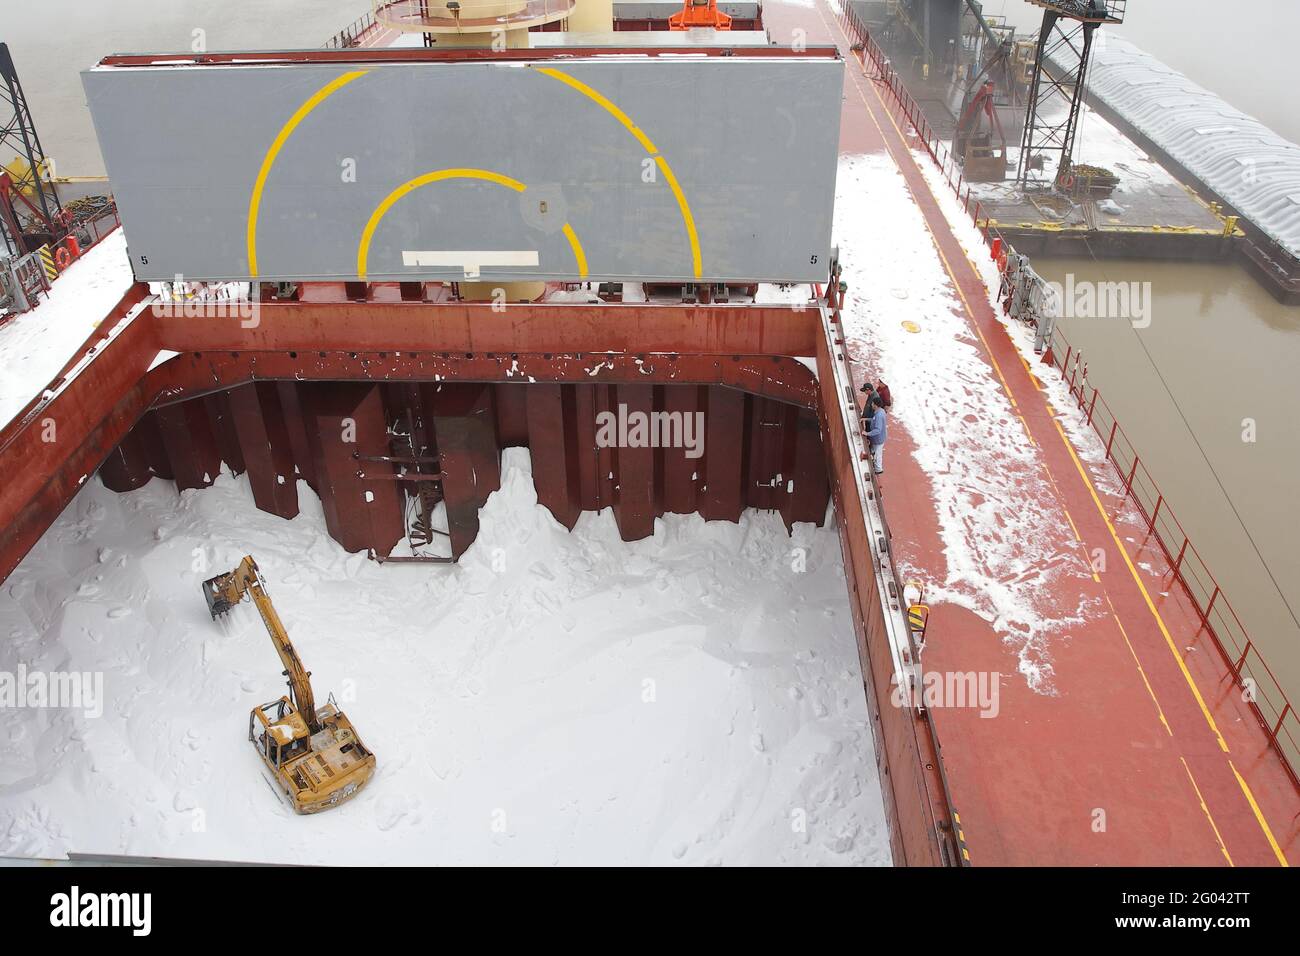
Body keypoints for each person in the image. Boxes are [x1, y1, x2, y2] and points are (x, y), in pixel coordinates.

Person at [865, 395, 887, 475]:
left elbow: (878, 430)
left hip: (878, 439)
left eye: (873, 404)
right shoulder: (880, 411)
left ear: (876, 405)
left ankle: (878, 469)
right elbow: (874, 420)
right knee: (875, 451)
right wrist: (867, 419)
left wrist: (867, 433)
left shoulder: (879, 415)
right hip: (878, 438)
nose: (871, 405)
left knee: (878, 454)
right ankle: (875, 465)